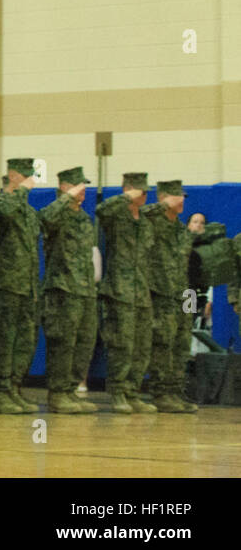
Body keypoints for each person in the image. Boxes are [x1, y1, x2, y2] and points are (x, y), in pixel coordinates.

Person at [38, 167, 99, 414]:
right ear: (65, 187)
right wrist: (65, 198)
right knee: (63, 343)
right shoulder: (56, 213)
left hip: (85, 291)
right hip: (62, 289)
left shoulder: (85, 219)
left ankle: (71, 390)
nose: (82, 191)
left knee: (84, 343)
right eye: (77, 185)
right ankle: (58, 393)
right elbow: (45, 218)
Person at [97, 171, 156, 414]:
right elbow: (101, 210)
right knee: (122, 344)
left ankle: (133, 391)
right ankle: (118, 392)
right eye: (140, 190)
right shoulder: (116, 215)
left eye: (146, 191)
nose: (144, 195)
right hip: (119, 290)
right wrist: (124, 198)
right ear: (129, 189)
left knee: (142, 346)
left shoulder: (144, 219)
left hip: (142, 291)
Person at [0, 158, 40, 413]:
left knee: (23, 341)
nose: (32, 181)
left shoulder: (28, 212)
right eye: (26, 176)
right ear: (14, 176)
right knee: (4, 341)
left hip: (27, 286)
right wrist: (21, 190)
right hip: (6, 283)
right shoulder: (2, 203)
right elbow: (5, 211)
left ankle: (13, 388)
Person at [143, 180, 196, 413]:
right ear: (163, 197)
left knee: (183, 342)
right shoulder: (152, 222)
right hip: (162, 294)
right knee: (163, 343)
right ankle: (161, 392)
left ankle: (176, 391)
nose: (181, 200)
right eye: (176, 196)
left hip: (185, 294)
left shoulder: (181, 230)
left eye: (182, 196)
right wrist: (161, 205)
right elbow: (139, 211)